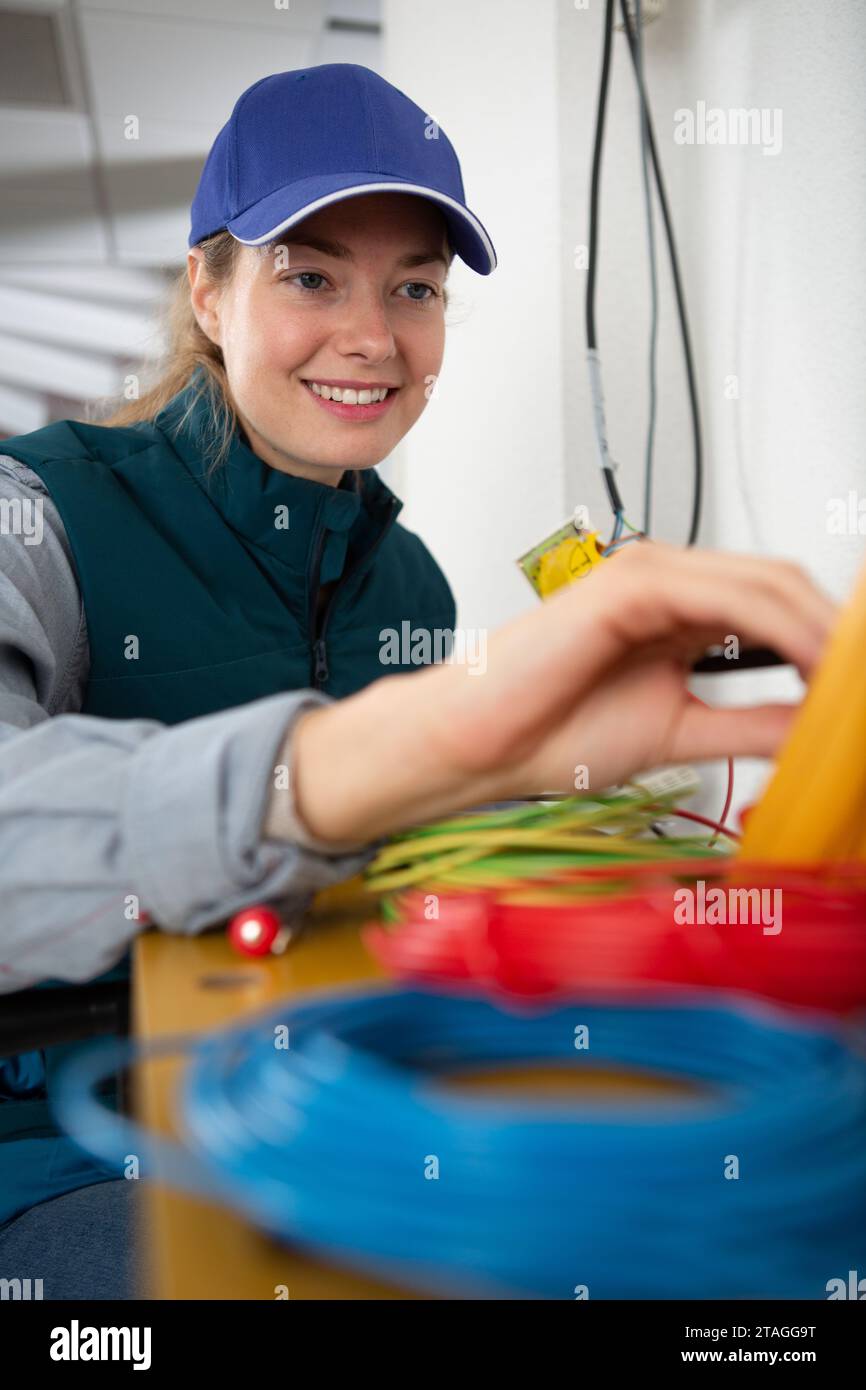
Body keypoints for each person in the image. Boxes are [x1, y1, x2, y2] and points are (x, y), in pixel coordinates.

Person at [0, 63, 835, 1299]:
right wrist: (380, 756)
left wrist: (556, 791)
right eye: (311, 274)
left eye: (415, 288)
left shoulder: (413, 589)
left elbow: (396, 885)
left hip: (339, 1100)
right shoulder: (37, 513)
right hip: (73, 1149)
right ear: (209, 290)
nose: (372, 336)